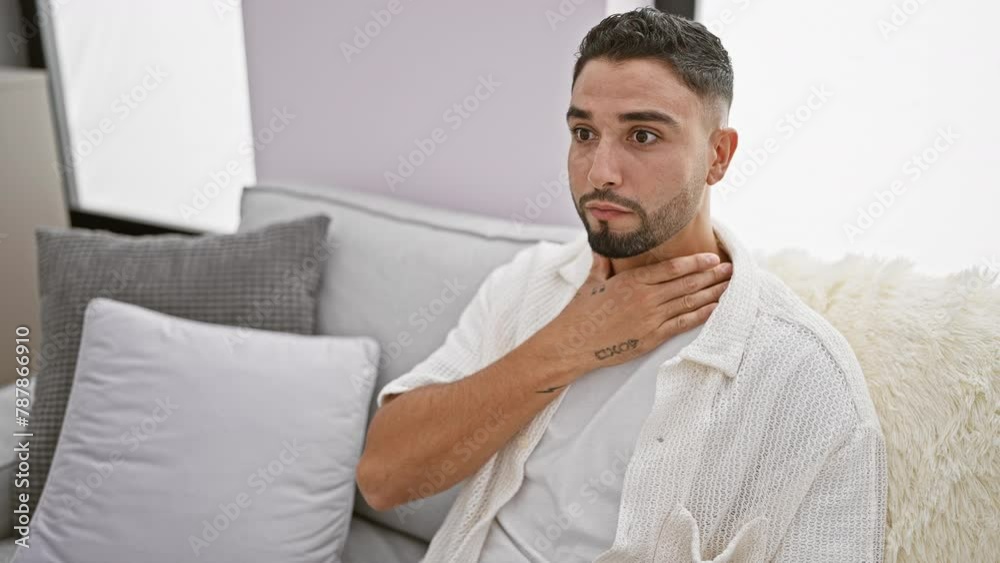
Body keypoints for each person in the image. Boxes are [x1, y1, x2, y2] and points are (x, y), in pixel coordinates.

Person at [357, 7, 887, 562]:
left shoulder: (806, 381)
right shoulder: (529, 282)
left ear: (718, 156)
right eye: (584, 133)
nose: (600, 170)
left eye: (642, 134)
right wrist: (570, 343)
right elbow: (384, 479)